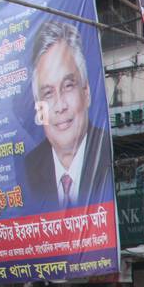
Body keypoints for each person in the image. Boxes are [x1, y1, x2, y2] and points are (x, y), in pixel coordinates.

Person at [24, 20, 112, 212]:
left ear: (86, 92)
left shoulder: (109, 153)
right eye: (48, 93)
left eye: (68, 86)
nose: (60, 106)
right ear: (39, 108)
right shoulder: (27, 171)